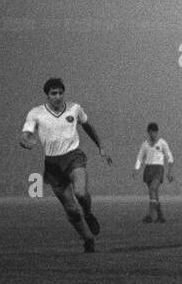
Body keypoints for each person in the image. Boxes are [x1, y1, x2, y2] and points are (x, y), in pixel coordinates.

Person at [21, 78, 113, 251]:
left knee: (80, 192)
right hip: (53, 164)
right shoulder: (36, 113)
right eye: (53, 93)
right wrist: (25, 141)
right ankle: (88, 240)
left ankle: (88, 212)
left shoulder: (74, 109)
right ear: (47, 95)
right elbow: (25, 134)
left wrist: (100, 146)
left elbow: (87, 126)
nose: (57, 96)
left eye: (60, 93)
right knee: (71, 209)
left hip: (73, 156)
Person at [134, 123, 174, 223]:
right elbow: (140, 157)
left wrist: (169, 172)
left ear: (156, 132)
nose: (152, 134)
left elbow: (170, 157)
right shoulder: (145, 144)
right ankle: (160, 216)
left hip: (158, 169)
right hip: (148, 169)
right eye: (150, 132)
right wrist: (136, 169)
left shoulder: (162, 143)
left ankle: (151, 216)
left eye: (154, 132)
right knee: (154, 193)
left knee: (152, 189)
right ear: (148, 132)